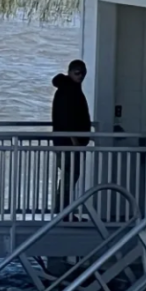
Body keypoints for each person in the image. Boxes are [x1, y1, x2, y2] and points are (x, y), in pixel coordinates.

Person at [51, 59, 91, 213]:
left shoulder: (71, 88)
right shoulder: (68, 91)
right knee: (69, 176)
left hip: (68, 141)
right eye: (77, 73)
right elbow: (66, 118)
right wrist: (75, 141)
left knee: (70, 176)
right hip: (68, 143)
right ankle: (63, 210)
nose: (81, 76)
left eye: (83, 73)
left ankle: (63, 209)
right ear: (70, 72)